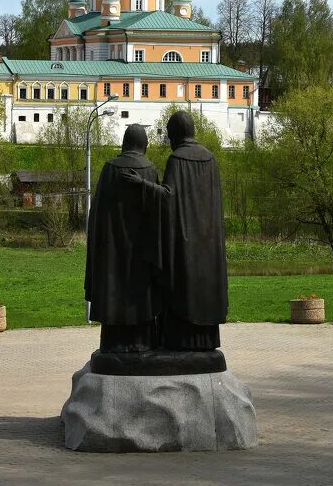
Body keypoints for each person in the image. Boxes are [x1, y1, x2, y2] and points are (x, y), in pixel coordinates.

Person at [121, 111, 228, 351]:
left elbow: (168, 197)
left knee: (182, 288)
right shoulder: (210, 159)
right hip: (208, 239)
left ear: (176, 135)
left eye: (169, 135)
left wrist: (143, 184)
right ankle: (206, 342)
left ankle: (179, 342)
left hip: (185, 240)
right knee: (204, 287)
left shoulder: (177, 159)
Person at [84, 124, 161, 353]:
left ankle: (113, 344)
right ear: (143, 144)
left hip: (112, 250)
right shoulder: (149, 169)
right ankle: (142, 343)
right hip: (142, 251)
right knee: (141, 294)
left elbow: (96, 213)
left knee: (114, 290)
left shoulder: (110, 169)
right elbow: (158, 214)